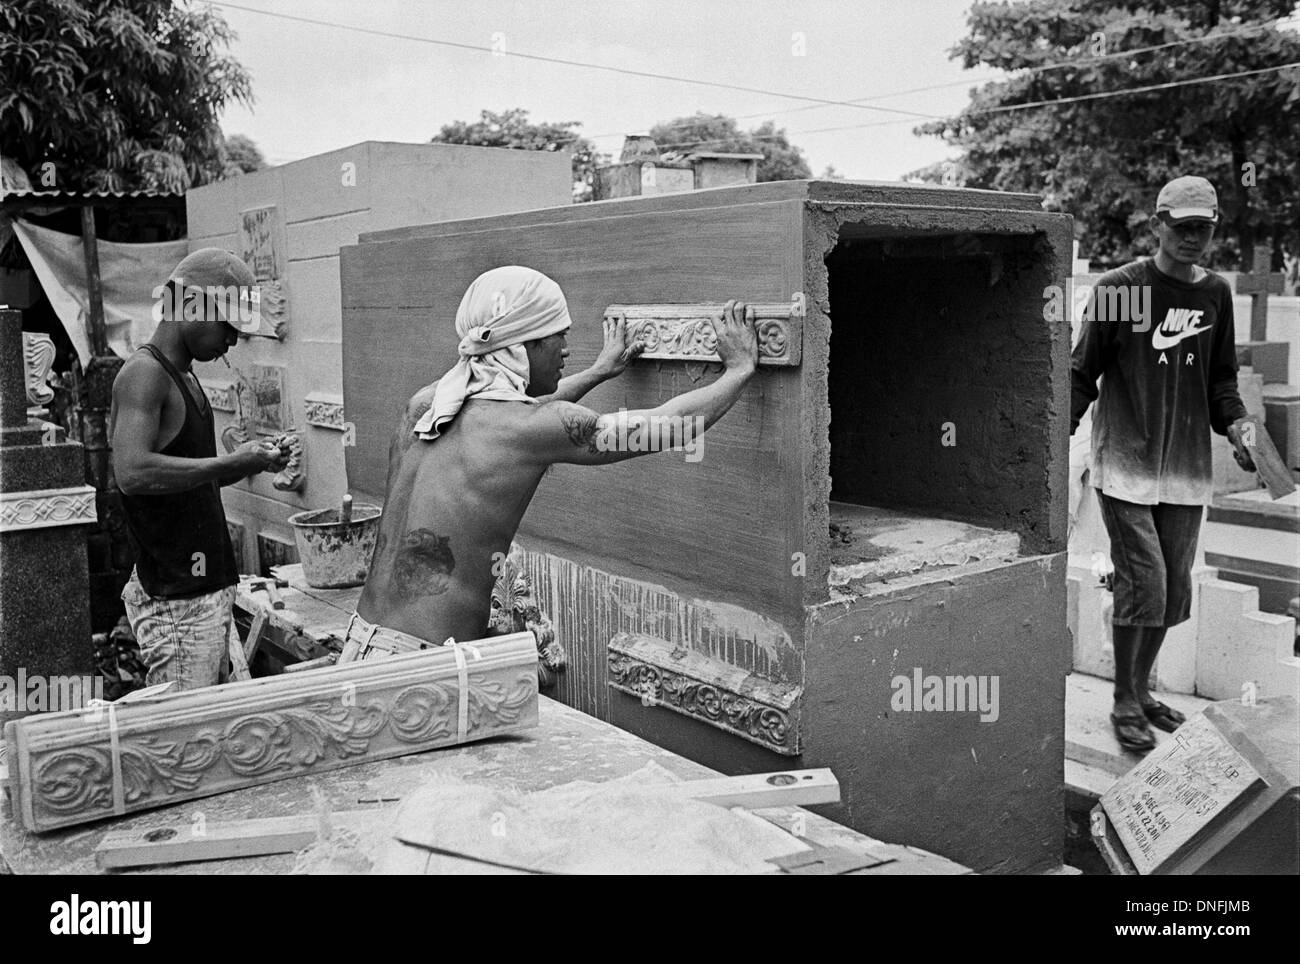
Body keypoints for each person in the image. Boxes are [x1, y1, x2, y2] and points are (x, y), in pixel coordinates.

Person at [342, 265, 757, 661]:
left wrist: (598, 373)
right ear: (523, 345)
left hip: (360, 644)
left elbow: (519, 413)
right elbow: (670, 425)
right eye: (558, 336)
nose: (566, 349)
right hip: (419, 672)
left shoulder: (425, 405)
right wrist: (738, 370)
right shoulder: (528, 428)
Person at [1071, 175, 1255, 752]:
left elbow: (1222, 379)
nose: (1193, 238)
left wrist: (1242, 428)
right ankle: (1125, 700)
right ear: (1158, 225)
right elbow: (1081, 374)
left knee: (1174, 592)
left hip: (1184, 468)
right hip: (1124, 463)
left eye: (1203, 228)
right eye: (1182, 227)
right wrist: (1057, 439)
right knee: (1143, 583)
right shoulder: (1121, 290)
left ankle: (1142, 691)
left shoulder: (1215, 294)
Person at [111, 249, 290, 690]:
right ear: (191, 306)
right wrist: (232, 461)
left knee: (205, 736)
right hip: (177, 600)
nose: (231, 341)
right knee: (185, 741)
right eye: (227, 326)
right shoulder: (144, 374)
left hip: (202, 591)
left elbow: (194, 477)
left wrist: (253, 459)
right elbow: (132, 473)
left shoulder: (186, 376)